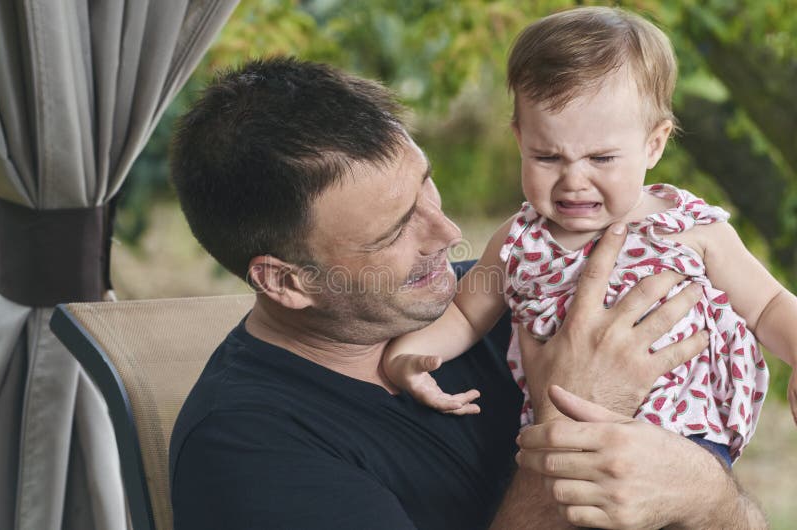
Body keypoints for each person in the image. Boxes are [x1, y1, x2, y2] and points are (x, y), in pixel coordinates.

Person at [168, 56, 767, 528]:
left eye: (426, 186)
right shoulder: (249, 449)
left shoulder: (515, 297)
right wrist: (573, 417)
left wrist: (706, 493)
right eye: (395, 230)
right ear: (286, 281)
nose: (449, 232)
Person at [383, 6, 797, 463]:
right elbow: (465, 315)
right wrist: (408, 356)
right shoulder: (519, 242)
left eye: (601, 159)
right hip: (567, 436)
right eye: (547, 157)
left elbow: (768, 305)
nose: (574, 181)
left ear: (654, 144)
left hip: (687, 435)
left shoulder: (690, 228)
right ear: (521, 140)